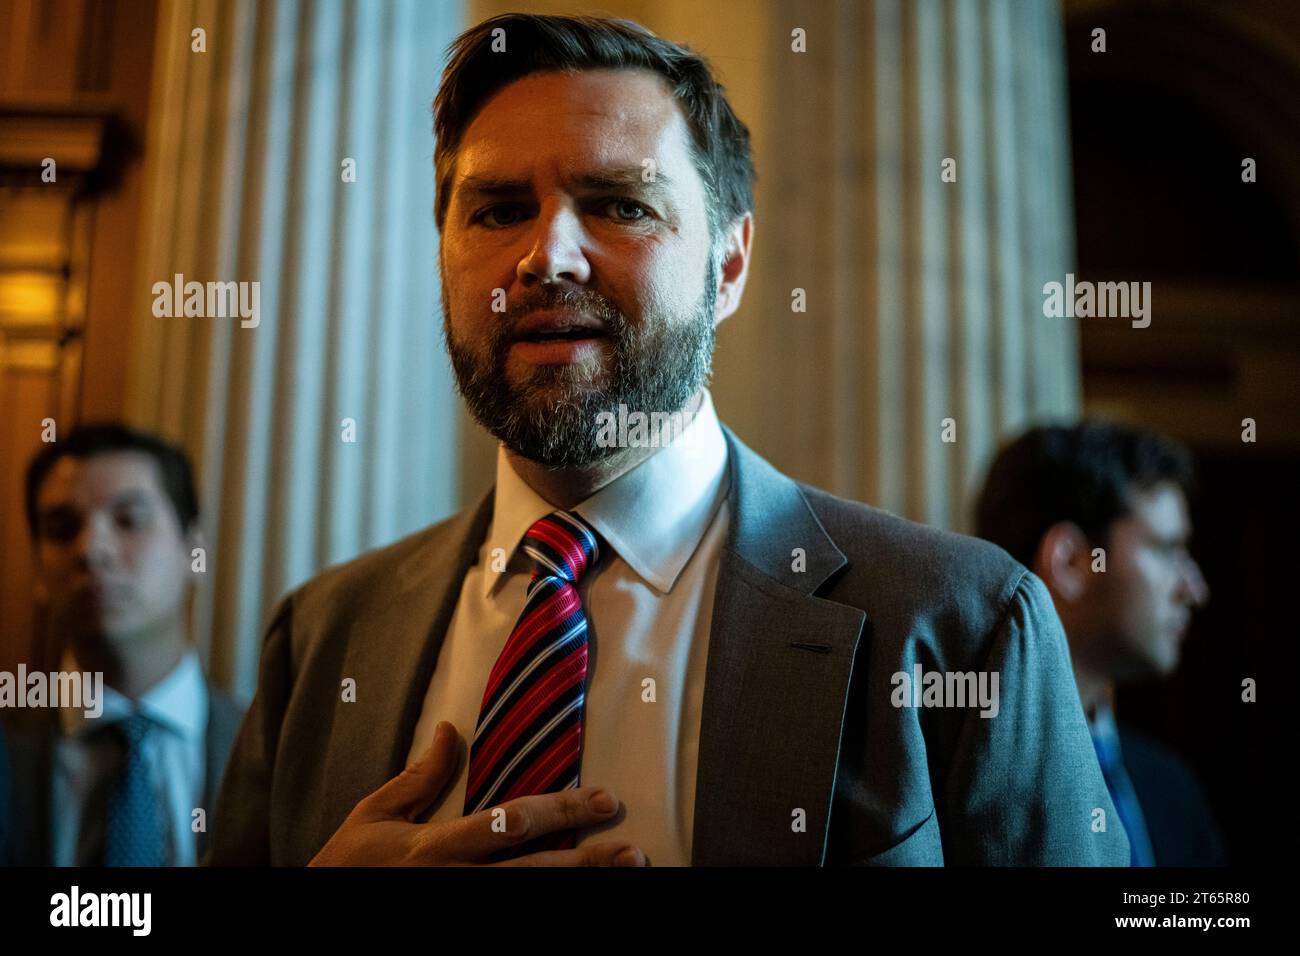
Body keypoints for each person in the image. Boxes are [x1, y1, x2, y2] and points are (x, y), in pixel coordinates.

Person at [207, 13, 1127, 867]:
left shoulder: (963, 625)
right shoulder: (322, 639)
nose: (547, 256)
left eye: (618, 204)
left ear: (728, 264)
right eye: (496, 210)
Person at [975, 421, 1228, 866]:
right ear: (1071, 562)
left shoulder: (1173, 790)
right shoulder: (954, 781)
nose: (1195, 588)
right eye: (1168, 550)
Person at [1, 423, 244, 866]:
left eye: (129, 520)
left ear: (195, 553)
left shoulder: (269, 752)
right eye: (61, 528)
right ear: (38, 569)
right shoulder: (9, 740)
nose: (92, 550)